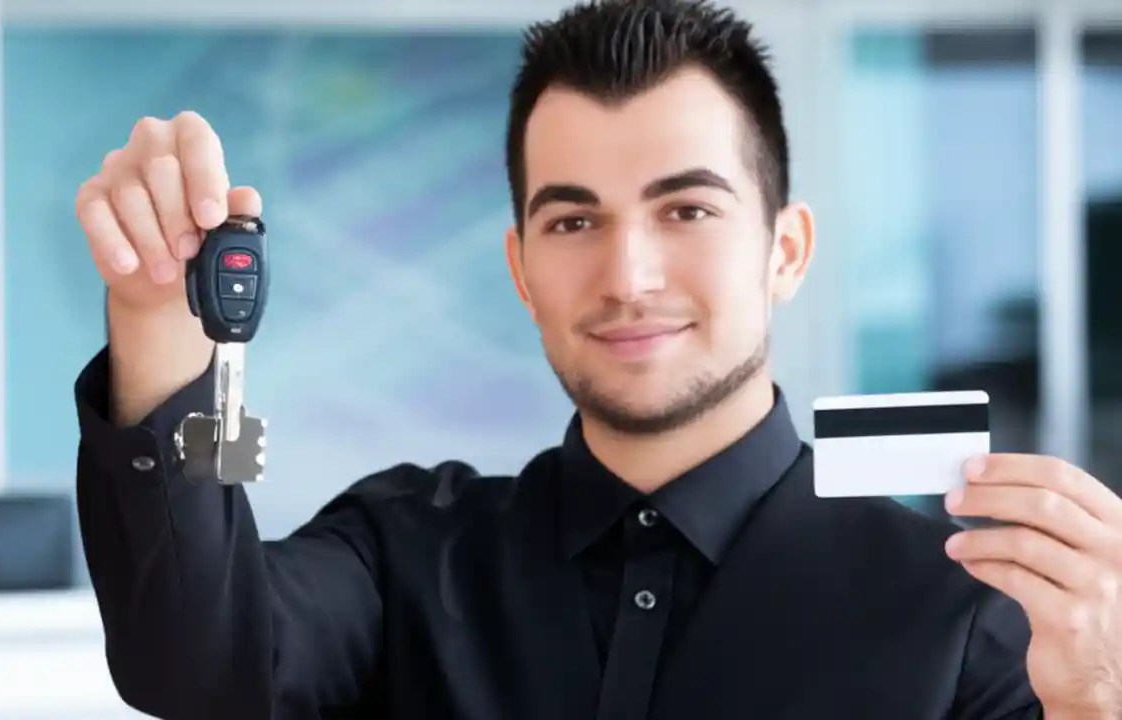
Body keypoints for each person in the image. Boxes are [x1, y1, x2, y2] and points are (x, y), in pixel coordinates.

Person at [72, 1, 1122, 718]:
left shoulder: (973, 617)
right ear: (521, 268)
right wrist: (160, 319)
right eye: (572, 222)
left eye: (686, 209)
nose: (627, 275)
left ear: (784, 249)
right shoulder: (402, 559)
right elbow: (195, 664)